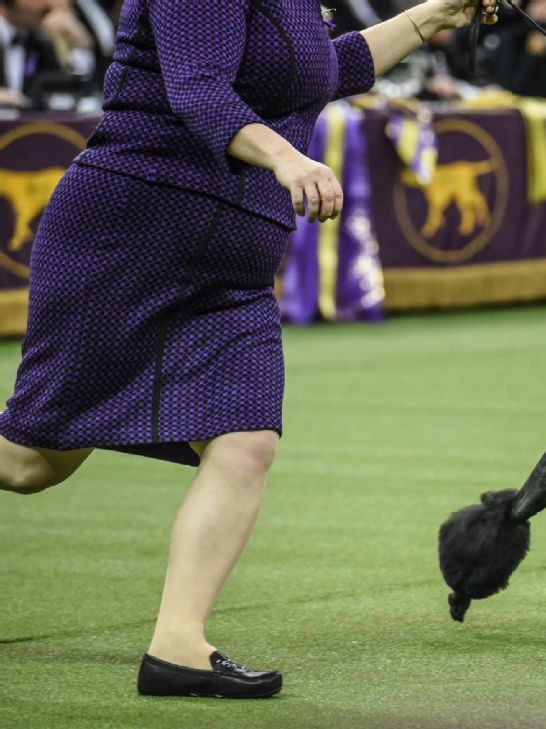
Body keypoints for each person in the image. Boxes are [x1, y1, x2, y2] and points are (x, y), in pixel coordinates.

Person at [0, 0, 497, 700]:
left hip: (232, 267)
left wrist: (430, 17)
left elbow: (328, 69)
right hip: (128, 235)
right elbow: (198, 89)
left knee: (247, 441)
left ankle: (178, 645)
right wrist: (288, 157)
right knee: (31, 463)